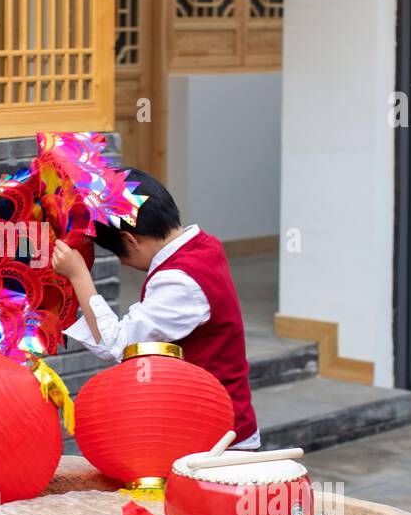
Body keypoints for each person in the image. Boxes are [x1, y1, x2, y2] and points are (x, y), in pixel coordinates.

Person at [52, 168, 261, 449]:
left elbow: (118, 345)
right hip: (214, 425)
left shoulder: (179, 282)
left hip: (219, 441)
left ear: (130, 240)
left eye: (117, 253)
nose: (123, 263)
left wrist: (78, 275)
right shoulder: (203, 245)